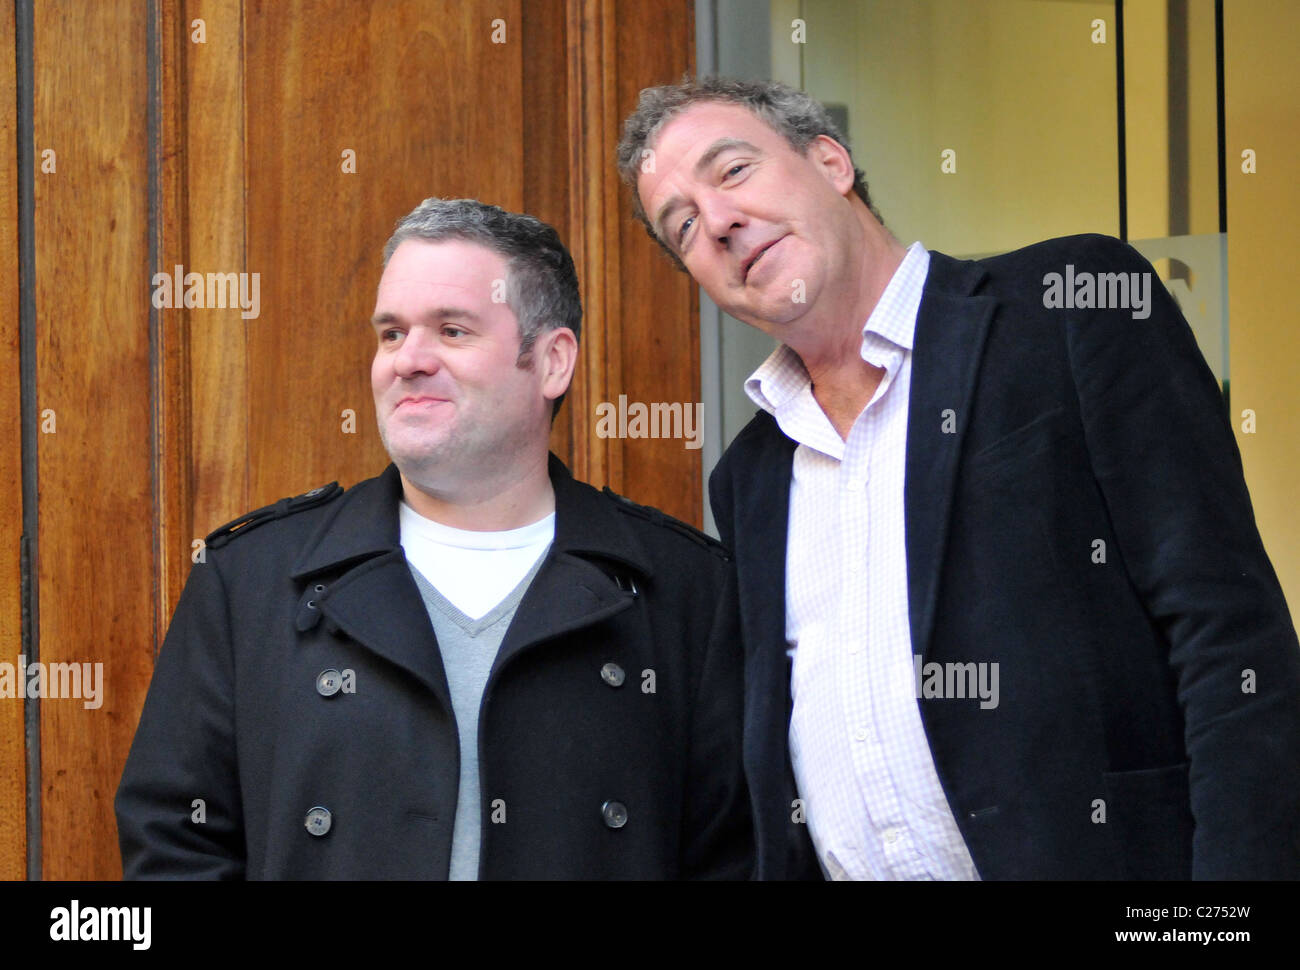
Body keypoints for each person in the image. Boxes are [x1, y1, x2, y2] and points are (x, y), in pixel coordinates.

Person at [617, 76, 1300, 880]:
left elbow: (1228, 636)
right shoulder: (750, 477)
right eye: (684, 226)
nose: (721, 223)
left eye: (732, 172)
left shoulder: (1070, 306)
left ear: (830, 161)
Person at [115, 198, 751, 880]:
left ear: (552, 361)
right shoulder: (252, 580)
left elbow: (737, 859)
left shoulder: (686, 592)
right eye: (391, 334)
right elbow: (175, 846)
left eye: (451, 331)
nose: (407, 361)